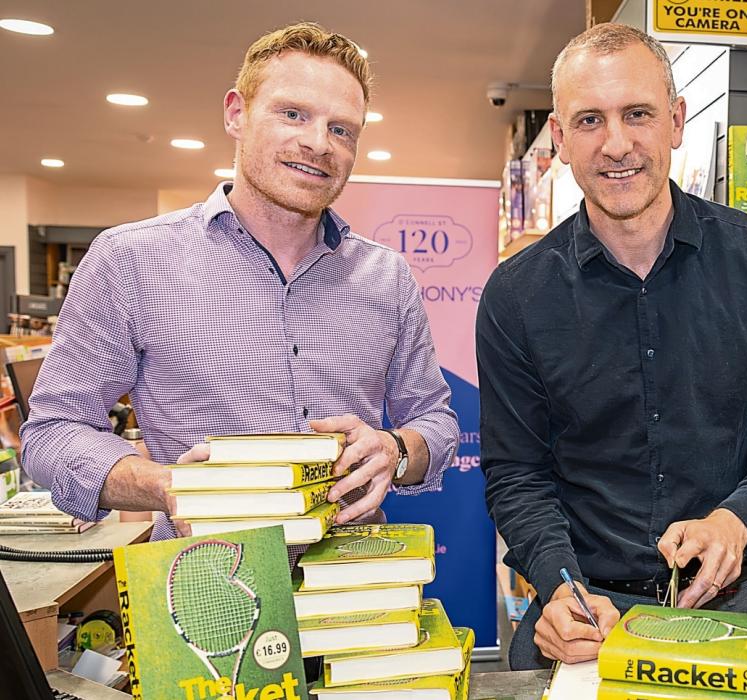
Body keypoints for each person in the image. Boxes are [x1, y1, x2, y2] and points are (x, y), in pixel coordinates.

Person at [477, 23, 747, 670]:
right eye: (590, 120)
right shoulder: (516, 295)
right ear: (559, 139)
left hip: (740, 606)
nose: (617, 144)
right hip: (585, 612)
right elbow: (516, 474)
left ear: (675, 121)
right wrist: (558, 584)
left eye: (638, 114)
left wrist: (736, 520)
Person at [20, 22, 458, 543]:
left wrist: (395, 449)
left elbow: (435, 419)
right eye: (293, 114)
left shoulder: (387, 276)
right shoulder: (129, 261)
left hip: (351, 587)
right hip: (203, 581)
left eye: (342, 130)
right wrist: (166, 484)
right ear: (236, 113)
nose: (318, 143)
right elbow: (51, 435)